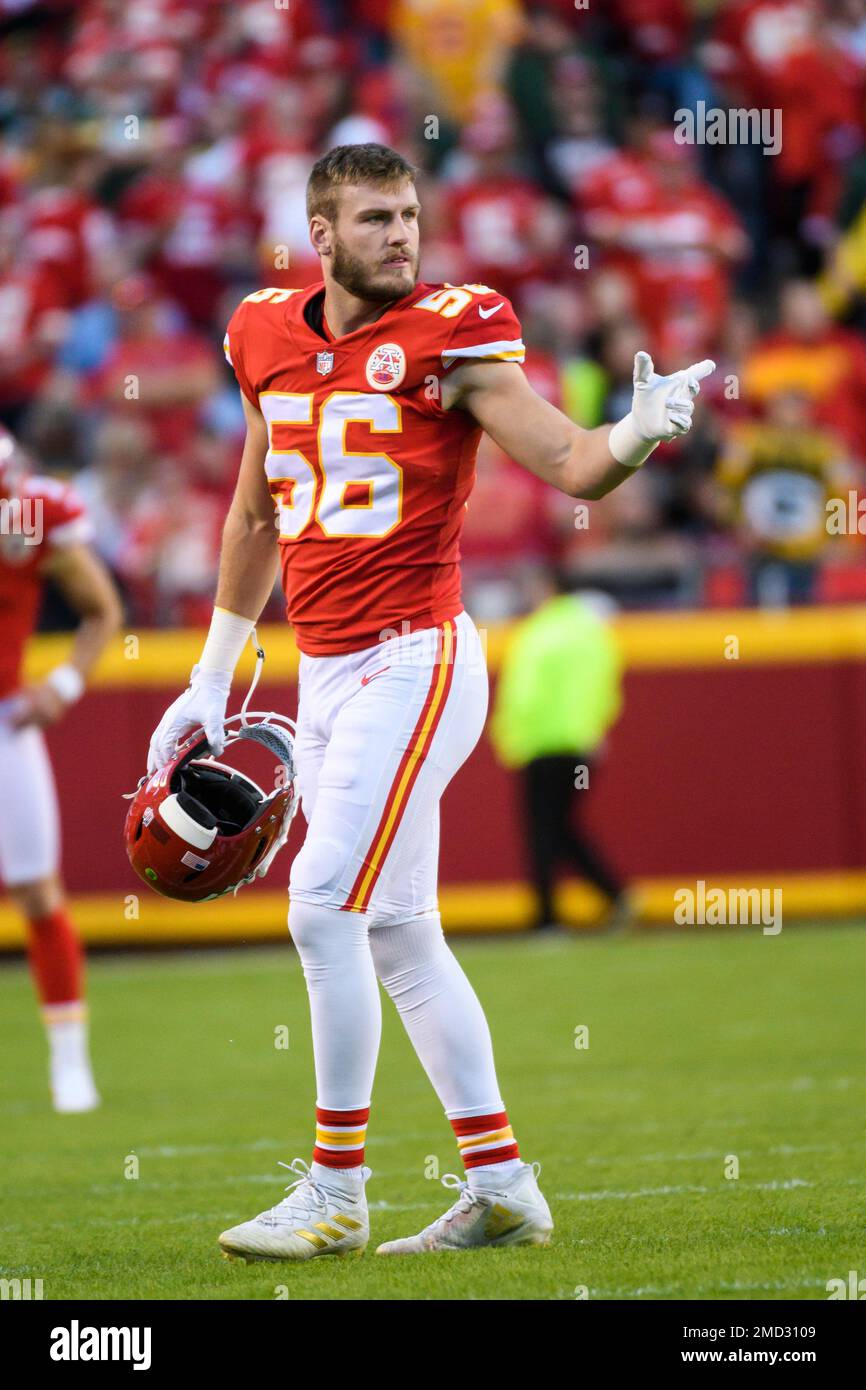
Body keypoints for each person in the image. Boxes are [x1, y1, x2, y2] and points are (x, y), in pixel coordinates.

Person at [147, 143, 714, 1260]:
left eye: (408, 214)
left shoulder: (454, 333)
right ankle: (501, 1184)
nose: (400, 234)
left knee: (321, 908)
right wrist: (210, 675)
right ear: (320, 235)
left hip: (414, 657)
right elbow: (257, 513)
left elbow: (567, 460)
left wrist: (636, 432)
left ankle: (335, 1188)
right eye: (373, 219)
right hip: (324, 668)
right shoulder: (263, 330)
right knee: (400, 930)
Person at [0, 427, 122, 1111]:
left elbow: (103, 611)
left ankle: (69, 1064)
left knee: (38, 892)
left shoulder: (33, 516)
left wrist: (64, 687)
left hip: (5, 718)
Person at [490, 579, 626, 930]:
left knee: (543, 832)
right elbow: (607, 690)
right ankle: (615, 896)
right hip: (581, 744)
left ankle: (548, 918)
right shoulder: (592, 634)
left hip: (540, 744)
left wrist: (510, 736)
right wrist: (590, 730)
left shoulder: (537, 633)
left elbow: (523, 691)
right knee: (562, 828)